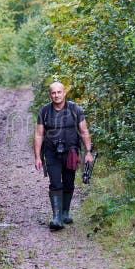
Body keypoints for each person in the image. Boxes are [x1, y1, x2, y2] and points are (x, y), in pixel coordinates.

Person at [34, 82, 94, 230]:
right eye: (53, 93)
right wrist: (37, 157)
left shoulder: (75, 109)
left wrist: (88, 152)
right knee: (55, 183)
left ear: (64, 93)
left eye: (59, 92)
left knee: (68, 183)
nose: (56, 95)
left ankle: (65, 212)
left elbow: (84, 131)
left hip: (71, 152)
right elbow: (38, 134)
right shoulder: (45, 111)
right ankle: (57, 217)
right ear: (50, 95)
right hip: (51, 153)